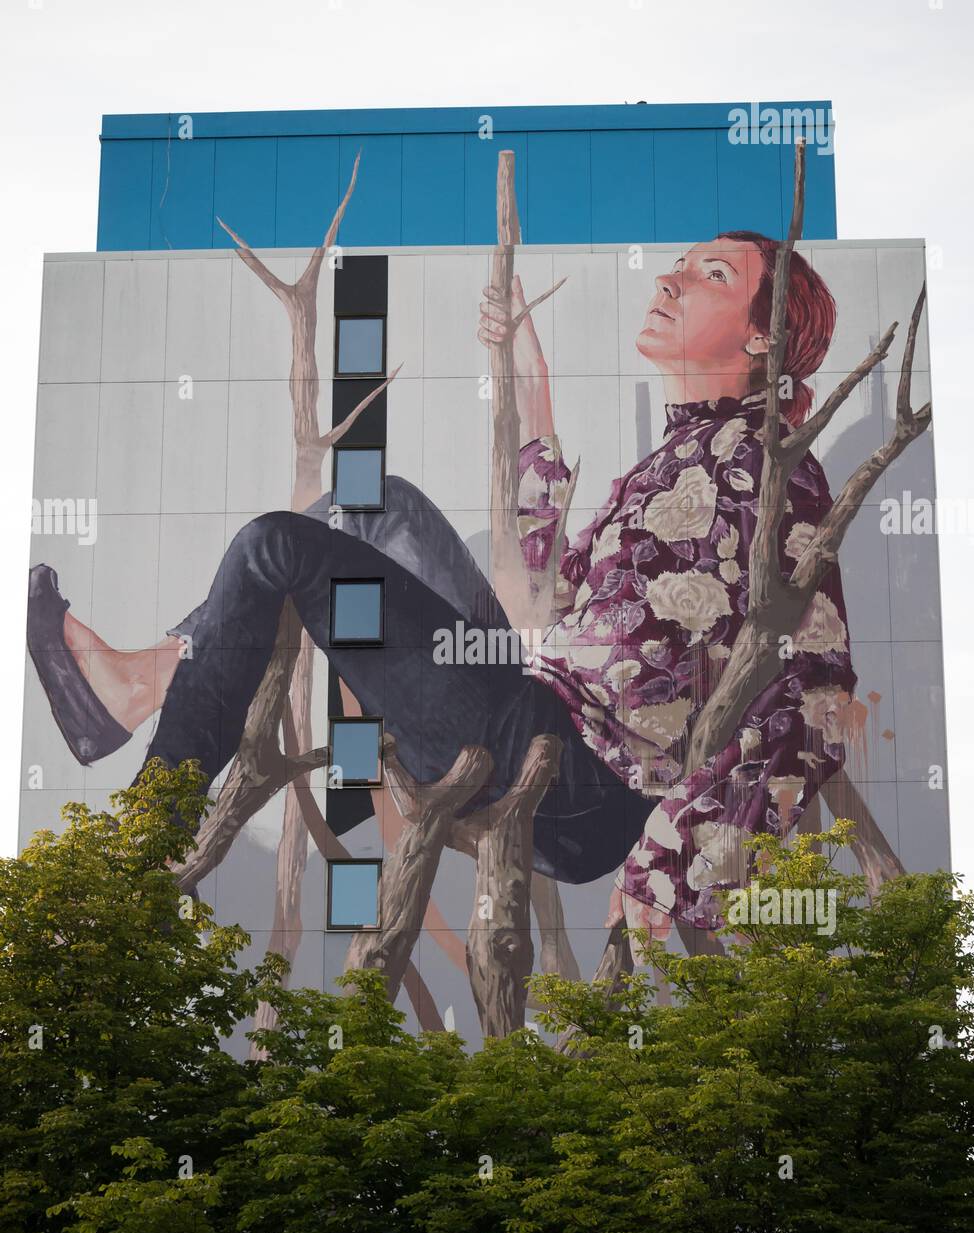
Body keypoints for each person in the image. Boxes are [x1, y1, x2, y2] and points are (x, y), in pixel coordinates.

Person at [27, 232, 855, 939]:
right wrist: (530, 384)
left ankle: (142, 837)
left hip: (580, 782)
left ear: (763, 342)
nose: (669, 278)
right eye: (677, 263)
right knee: (374, 502)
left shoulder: (778, 477)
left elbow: (820, 698)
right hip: (531, 695)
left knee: (274, 544)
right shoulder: (672, 467)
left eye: (713, 276)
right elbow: (540, 595)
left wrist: (670, 862)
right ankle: (150, 677)